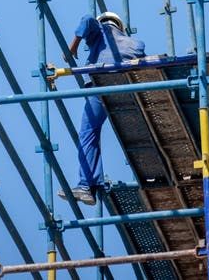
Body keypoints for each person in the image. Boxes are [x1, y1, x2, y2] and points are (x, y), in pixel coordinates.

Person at [59, 11, 146, 206]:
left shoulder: (101, 31)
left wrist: (72, 47)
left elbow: (87, 18)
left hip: (101, 84)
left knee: (89, 133)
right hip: (126, 87)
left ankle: (86, 185)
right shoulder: (136, 43)